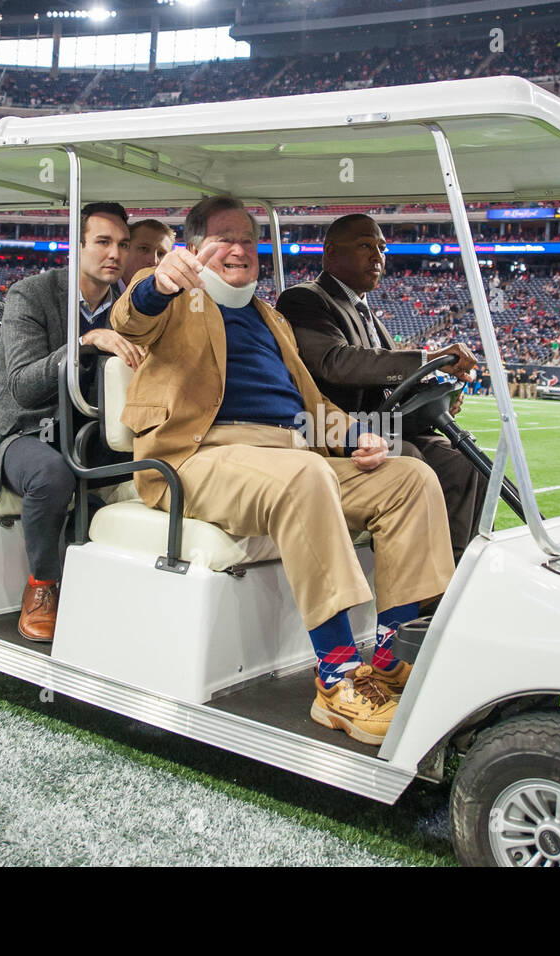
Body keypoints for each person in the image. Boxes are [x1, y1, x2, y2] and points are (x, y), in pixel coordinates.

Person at [111, 196, 454, 746]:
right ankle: (338, 674)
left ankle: (387, 655)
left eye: (248, 239)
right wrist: (159, 280)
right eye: (224, 238)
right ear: (194, 250)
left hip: (288, 451)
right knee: (305, 477)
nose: (240, 248)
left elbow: (311, 404)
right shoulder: (175, 298)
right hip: (198, 456)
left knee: (411, 478)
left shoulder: (270, 316)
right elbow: (129, 317)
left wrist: (356, 435)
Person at [0, 202, 143, 642]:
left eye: (122, 244)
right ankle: (42, 585)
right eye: (102, 242)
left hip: (88, 434)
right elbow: (23, 386)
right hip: (20, 432)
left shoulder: (125, 307)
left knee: (156, 462)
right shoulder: (31, 294)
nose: (114, 253)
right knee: (51, 473)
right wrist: (84, 343)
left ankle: (122, 587)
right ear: (76, 247)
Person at [277, 214, 487, 566]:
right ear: (329, 252)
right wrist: (426, 357)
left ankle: (459, 570)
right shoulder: (304, 299)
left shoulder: (366, 313)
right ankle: (420, 585)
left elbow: (387, 385)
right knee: (409, 459)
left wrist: (439, 396)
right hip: (331, 429)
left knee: (469, 462)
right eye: (364, 245)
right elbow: (336, 362)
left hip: (381, 428)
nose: (378, 256)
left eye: (382, 247)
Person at [119, 218, 175, 291]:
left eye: (161, 254)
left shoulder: (172, 297)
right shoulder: (101, 289)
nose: (154, 261)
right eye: (144, 249)